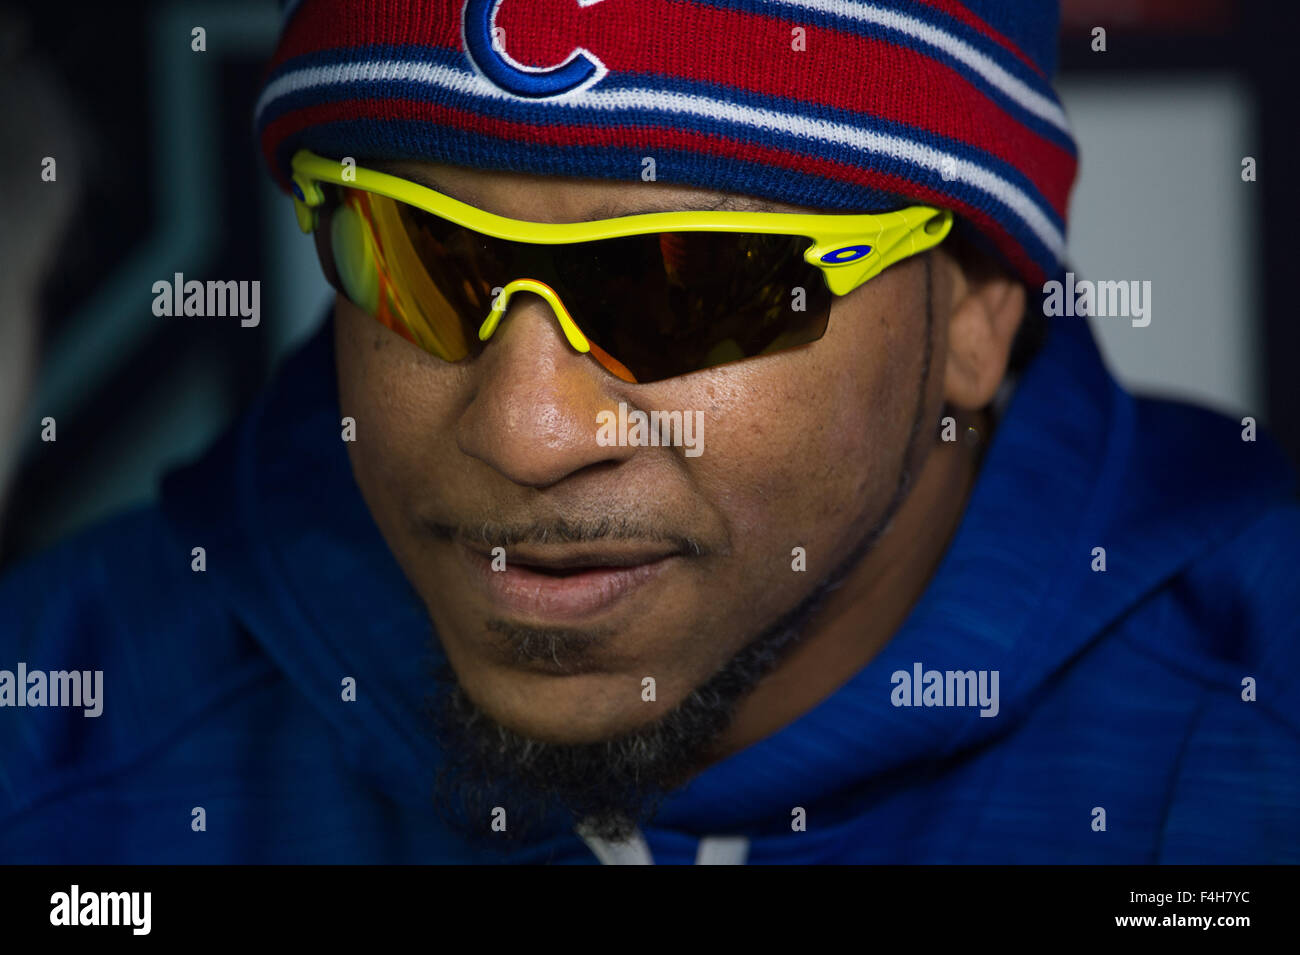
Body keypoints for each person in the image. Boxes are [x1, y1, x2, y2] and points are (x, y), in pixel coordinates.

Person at [1, 0, 1296, 865]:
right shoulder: (55, 730)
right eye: (412, 259)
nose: (529, 432)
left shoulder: (1257, 736)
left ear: (975, 309)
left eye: (692, 285)